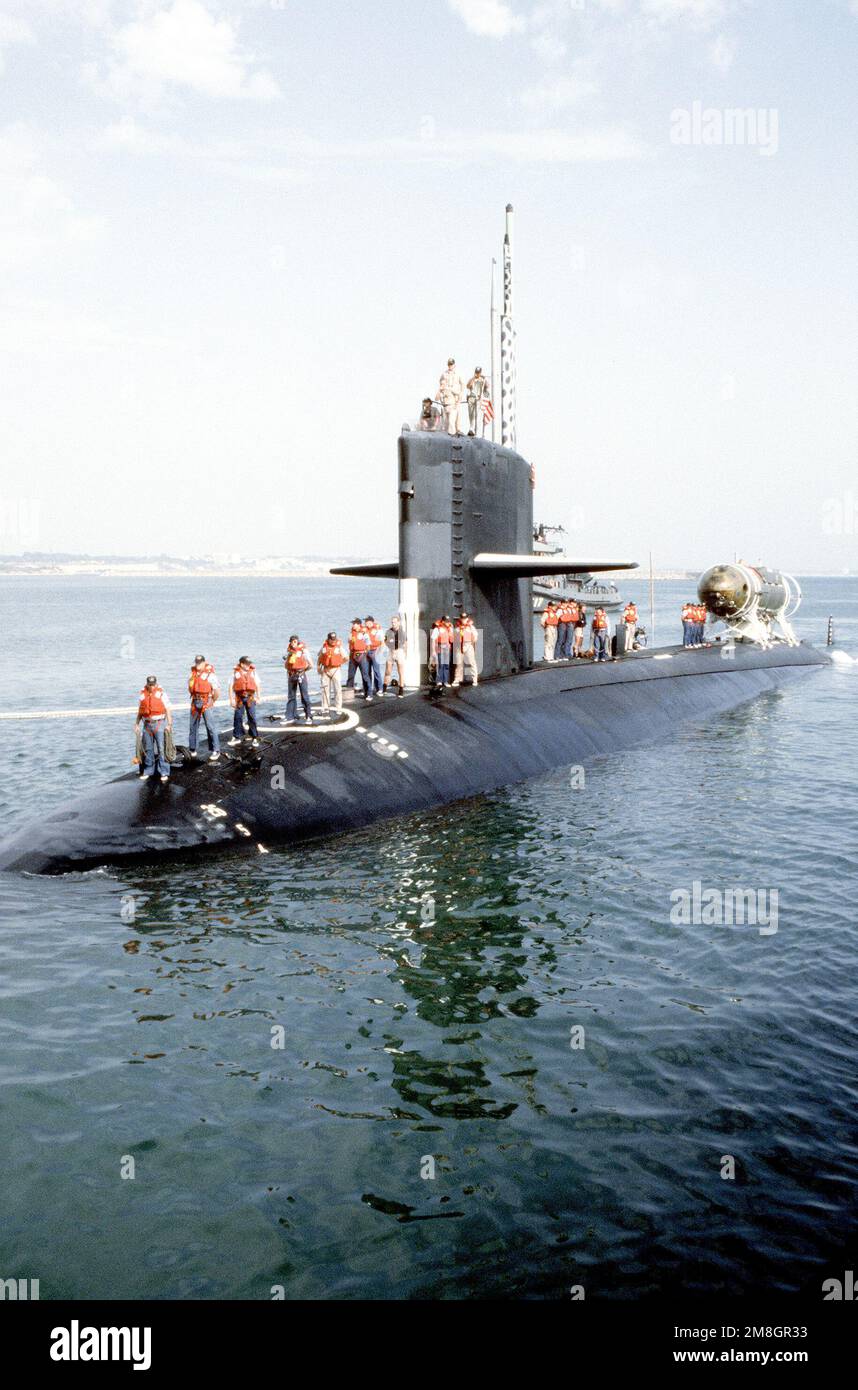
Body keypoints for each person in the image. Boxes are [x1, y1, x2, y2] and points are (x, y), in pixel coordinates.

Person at [135, 676, 173, 782]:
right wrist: (137, 724)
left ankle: (164, 771)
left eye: (153, 684)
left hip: (159, 723)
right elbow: (140, 711)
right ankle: (148, 770)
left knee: (162, 748)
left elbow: (168, 709)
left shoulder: (162, 694)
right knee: (148, 748)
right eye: (149, 684)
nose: (151, 686)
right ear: (147, 684)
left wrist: (169, 724)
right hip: (146, 724)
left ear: (155, 684)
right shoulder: (142, 695)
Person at [188, 655, 221, 760]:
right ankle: (192, 748)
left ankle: (216, 750)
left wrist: (212, 701)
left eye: (200, 662)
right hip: (195, 701)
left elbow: (217, 690)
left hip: (206, 701)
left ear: (204, 662)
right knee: (193, 726)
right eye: (197, 662)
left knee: (210, 726)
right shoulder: (193, 674)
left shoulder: (210, 675)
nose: (198, 664)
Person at [228, 656, 260, 746]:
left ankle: (254, 736)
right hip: (239, 698)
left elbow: (257, 684)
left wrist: (258, 697)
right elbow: (230, 687)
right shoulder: (235, 673)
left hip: (250, 697)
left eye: (249, 664)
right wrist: (231, 699)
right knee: (238, 716)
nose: (248, 665)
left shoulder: (253, 672)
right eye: (247, 664)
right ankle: (237, 735)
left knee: (252, 717)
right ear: (241, 664)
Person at [284, 636, 314, 724]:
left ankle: (308, 715)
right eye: (292, 642)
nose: (293, 643)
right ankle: (291, 716)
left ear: (298, 642)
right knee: (291, 696)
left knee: (304, 695)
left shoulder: (303, 651)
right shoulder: (289, 651)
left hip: (301, 674)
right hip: (291, 675)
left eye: (295, 641)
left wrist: (303, 671)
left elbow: (310, 664)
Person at [317, 631, 346, 716]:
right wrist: (318, 667)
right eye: (331, 639)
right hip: (325, 670)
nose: (333, 641)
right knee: (325, 690)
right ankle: (325, 707)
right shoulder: (324, 646)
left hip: (335, 670)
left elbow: (346, 657)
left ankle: (338, 708)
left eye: (334, 639)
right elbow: (319, 657)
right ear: (328, 639)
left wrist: (339, 663)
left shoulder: (339, 647)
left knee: (337, 690)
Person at [347, 618, 373, 702]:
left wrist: (365, 653)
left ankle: (368, 693)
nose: (353, 625)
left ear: (358, 624)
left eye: (354, 624)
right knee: (351, 675)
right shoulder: (351, 633)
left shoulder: (363, 633)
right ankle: (349, 693)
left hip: (361, 654)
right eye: (353, 624)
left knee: (365, 675)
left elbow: (368, 644)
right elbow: (349, 643)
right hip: (353, 655)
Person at [436, 358, 463, 436]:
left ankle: (455, 434)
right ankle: (450, 437)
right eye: (449, 364)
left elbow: (462, 386)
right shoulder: (444, 374)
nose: (450, 366)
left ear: (454, 365)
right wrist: (441, 388)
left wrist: (459, 400)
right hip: (445, 403)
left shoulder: (458, 374)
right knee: (446, 424)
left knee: (452, 422)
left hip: (454, 402)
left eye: (451, 364)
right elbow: (440, 383)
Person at [453, 612, 478, 686]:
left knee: (472, 663)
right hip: (459, 646)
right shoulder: (457, 628)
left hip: (468, 645)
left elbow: (475, 636)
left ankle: (475, 679)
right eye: (462, 618)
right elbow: (454, 637)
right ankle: (457, 680)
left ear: (467, 618)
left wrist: (471, 644)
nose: (464, 619)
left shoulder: (471, 627)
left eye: (465, 618)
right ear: (460, 618)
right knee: (458, 664)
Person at [383, 614, 406, 697]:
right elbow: (385, 641)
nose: (393, 624)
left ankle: (401, 689)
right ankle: (384, 688)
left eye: (395, 622)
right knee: (388, 671)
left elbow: (405, 643)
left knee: (400, 672)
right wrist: (390, 647)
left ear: (398, 623)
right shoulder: (388, 631)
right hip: (390, 651)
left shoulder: (402, 632)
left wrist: (405, 653)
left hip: (399, 652)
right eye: (392, 622)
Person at [430, 615, 455, 687]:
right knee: (440, 665)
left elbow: (452, 640)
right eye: (446, 621)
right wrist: (433, 651)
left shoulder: (450, 628)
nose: (447, 623)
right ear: (443, 621)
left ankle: (446, 681)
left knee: (446, 665)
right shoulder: (437, 629)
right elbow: (433, 640)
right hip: (440, 647)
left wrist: (451, 632)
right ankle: (439, 681)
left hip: (447, 648)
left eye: (448, 621)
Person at [365, 615, 386, 696]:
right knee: (368, 671)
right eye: (366, 622)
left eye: (368, 622)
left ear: (372, 622)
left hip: (375, 651)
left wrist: (381, 651)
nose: (367, 623)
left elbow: (382, 641)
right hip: (367, 652)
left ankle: (379, 688)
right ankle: (370, 689)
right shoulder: (365, 629)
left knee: (376, 671)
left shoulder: (377, 629)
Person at [466, 367, 491, 436]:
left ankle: (473, 429)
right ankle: (472, 427)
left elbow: (487, 386)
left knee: (475, 414)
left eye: (478, 372)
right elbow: (468, 386)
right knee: (471, 414)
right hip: (471, 397)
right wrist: (473, 378)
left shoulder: (482, 380)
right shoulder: (472, 379)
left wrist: (484, 380)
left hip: (478, 398)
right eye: (476, 372)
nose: (477, 374)